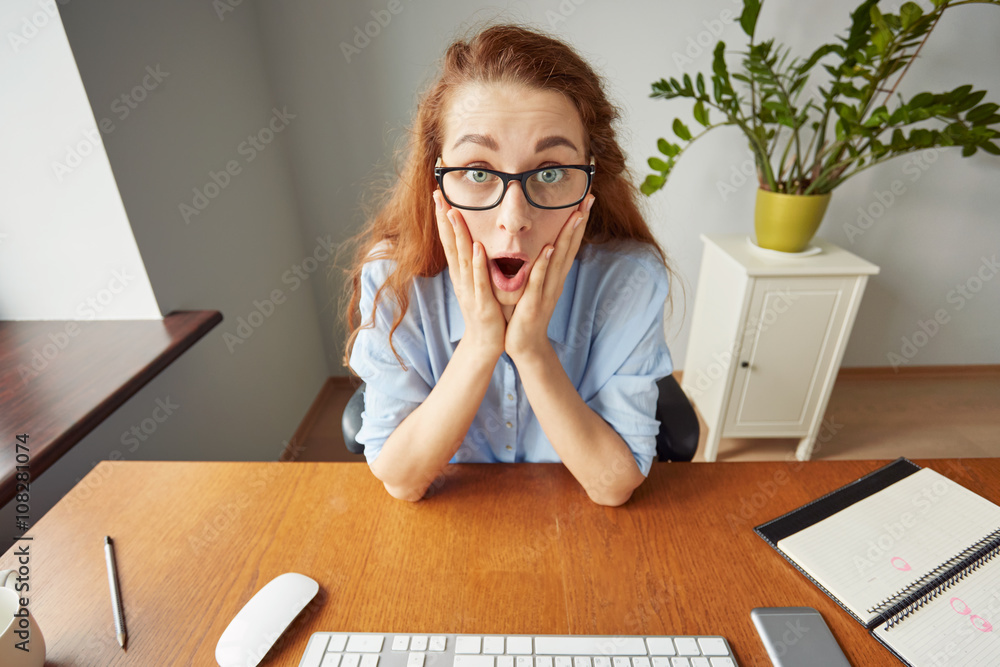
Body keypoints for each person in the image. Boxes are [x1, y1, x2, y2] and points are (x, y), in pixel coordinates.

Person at [341, 22, 675, 506]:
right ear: (437, 183)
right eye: (477, 172)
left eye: (551, 172)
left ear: (591, 181)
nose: (514, 219)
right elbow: (402, 480)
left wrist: (531, 350)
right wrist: (480, 343)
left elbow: (612, 486)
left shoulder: (629, 279)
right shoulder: (394, 278)